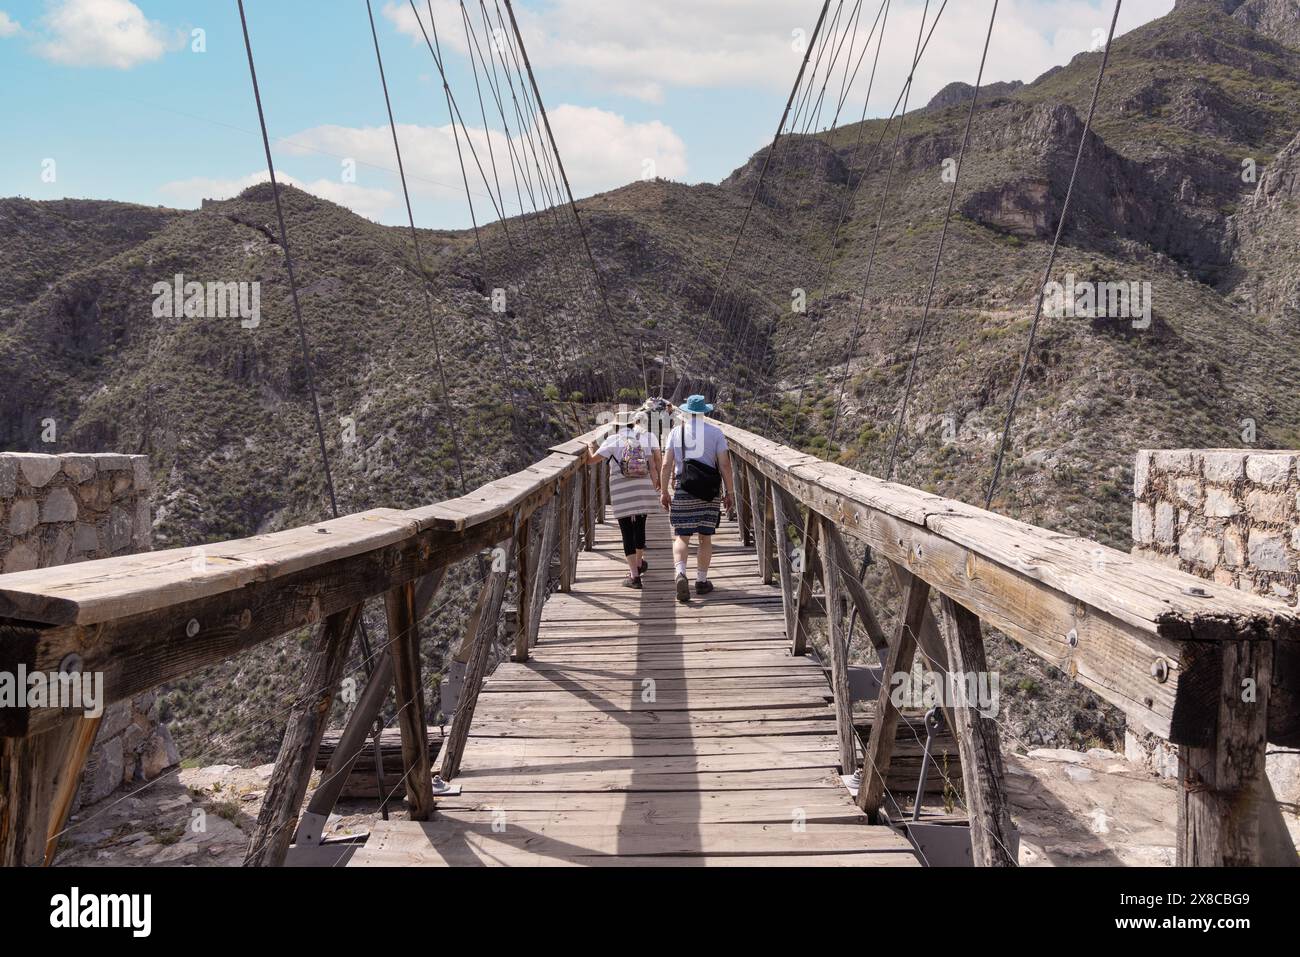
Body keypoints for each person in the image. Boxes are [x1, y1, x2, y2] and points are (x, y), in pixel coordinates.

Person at [659, 394, 735, 603]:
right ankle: (701, 581)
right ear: (704, 412)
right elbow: (725, 465)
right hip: (709, 492)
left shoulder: (676, 432)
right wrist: (730, 493)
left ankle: (680, 573)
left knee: (682, 536)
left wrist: (664, 491)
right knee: (705, 537)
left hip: (684, 488)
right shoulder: (716, 432)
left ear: (686, 411)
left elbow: (666, 465)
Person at [587, 409, 662, 588]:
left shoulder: (612, 439)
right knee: (640, 526)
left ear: (615, 425)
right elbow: (652, 464)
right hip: (643, 488)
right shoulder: (643, 438)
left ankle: (634, 577)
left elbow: (591, 461)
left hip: (622, 491)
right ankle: (638, 562)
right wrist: (656, 485)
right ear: (632, 423)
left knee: (626, 531)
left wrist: (590, 446)